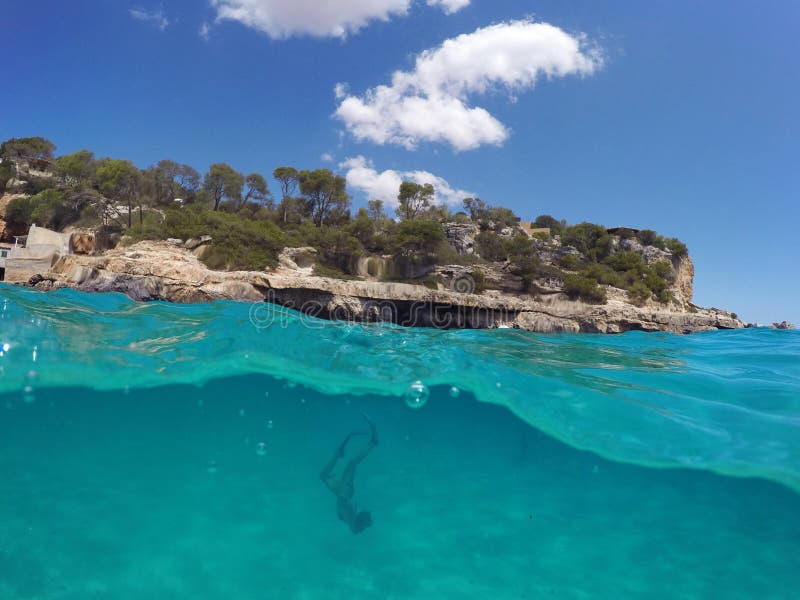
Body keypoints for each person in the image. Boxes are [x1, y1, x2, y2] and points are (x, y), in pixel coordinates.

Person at [320, 413, 378, 534]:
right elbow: (355, 528)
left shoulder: (352, 522)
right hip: (344, 493)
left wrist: (362, 524)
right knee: (327, 474)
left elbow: (355, 528)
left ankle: (372, 443)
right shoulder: (351, 521)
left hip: (345, 493)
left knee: (351, 463)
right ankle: (340, 453)